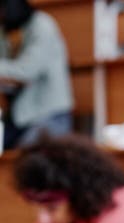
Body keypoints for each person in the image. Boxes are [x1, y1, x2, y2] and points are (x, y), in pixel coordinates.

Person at [0, 0, 73, 150]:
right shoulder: (5, 30)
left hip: (48, 116)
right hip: (18, 117)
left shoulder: (42, 25)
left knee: (28, 160)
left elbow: (25, 71)